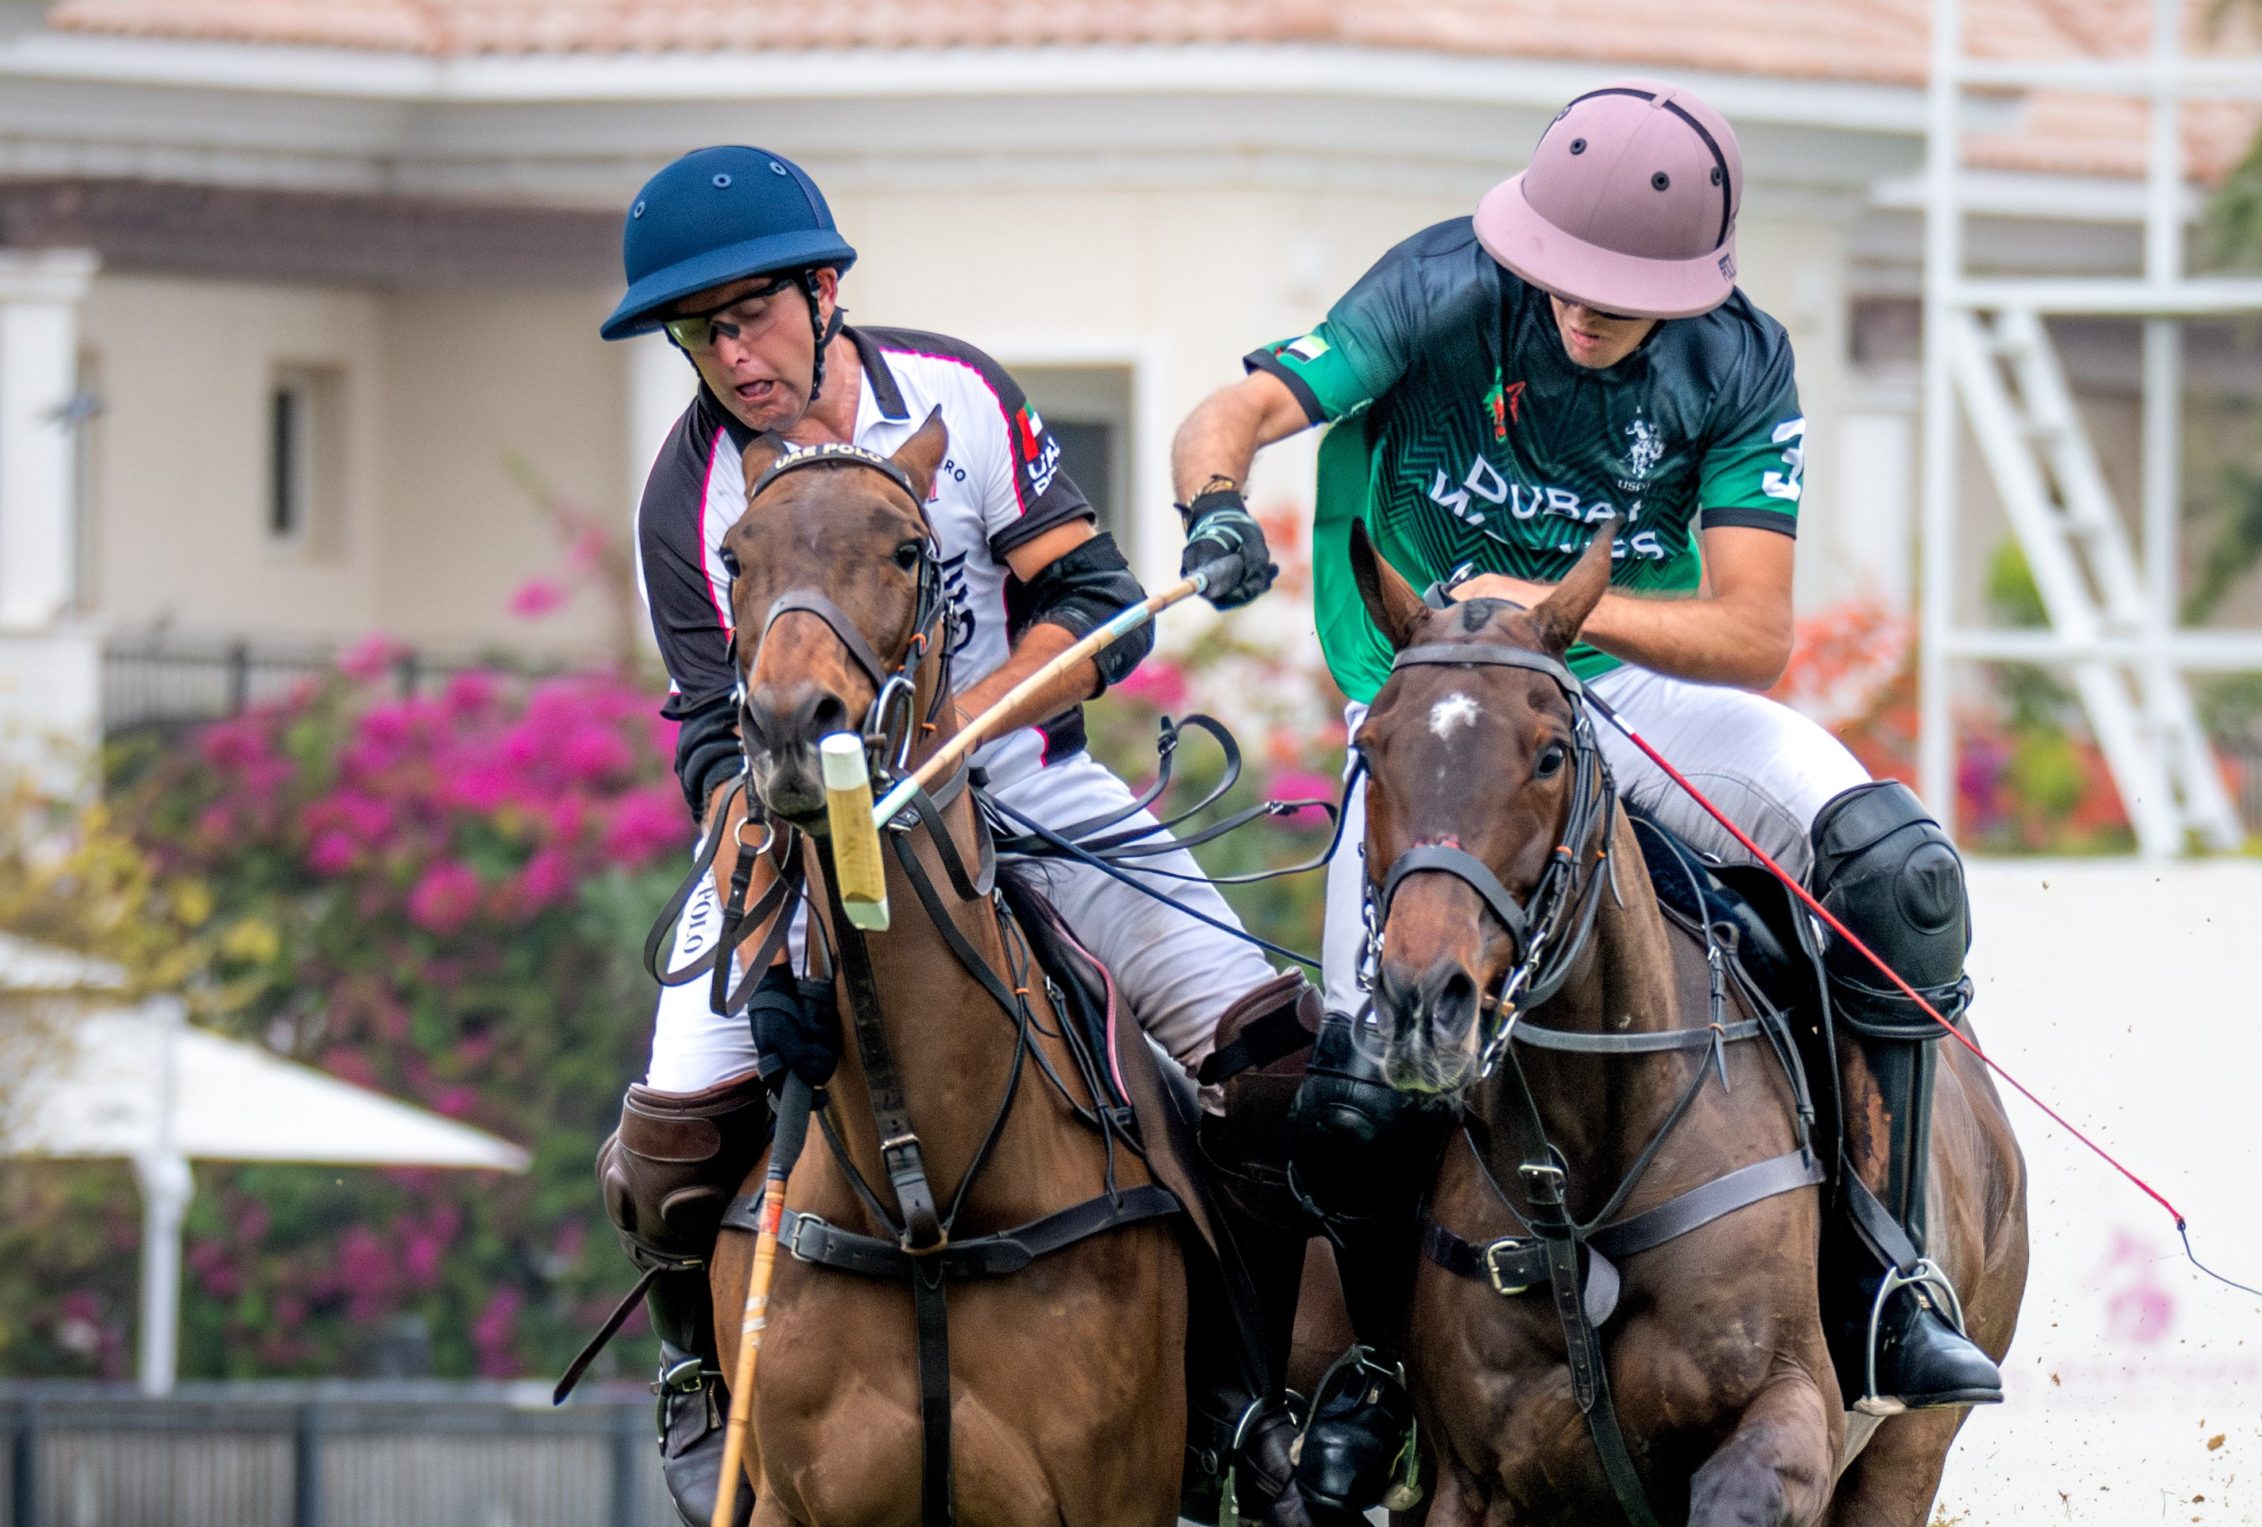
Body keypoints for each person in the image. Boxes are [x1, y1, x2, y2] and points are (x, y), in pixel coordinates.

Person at [1170, 80, 2003, 1510]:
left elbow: (1751, 630)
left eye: (1620, 299)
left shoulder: (1737, 361)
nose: (1583, 314)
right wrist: (1217, 502)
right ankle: (1376, 1365)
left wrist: (1557, 614)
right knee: (1365, 1079)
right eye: (1563, 283)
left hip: (1624, 691)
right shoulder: (1439, 285)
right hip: (1433, 725)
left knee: (1893, 867)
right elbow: (1238, 408)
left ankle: (1886, 1275)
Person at [589, 145, 1301, 1527]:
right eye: (700, 332)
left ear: (826, 288)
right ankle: (701, 1382)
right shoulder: (688, 496)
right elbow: (707, 736)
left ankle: (1246, 1398)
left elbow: (1096, 598)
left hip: (1030, 793)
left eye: (751, 316)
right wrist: (769, 894)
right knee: (669, 1135)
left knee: (1276, 1069)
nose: (732, 356)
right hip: (796, 829)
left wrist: (958, 729)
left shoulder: (959, 396)